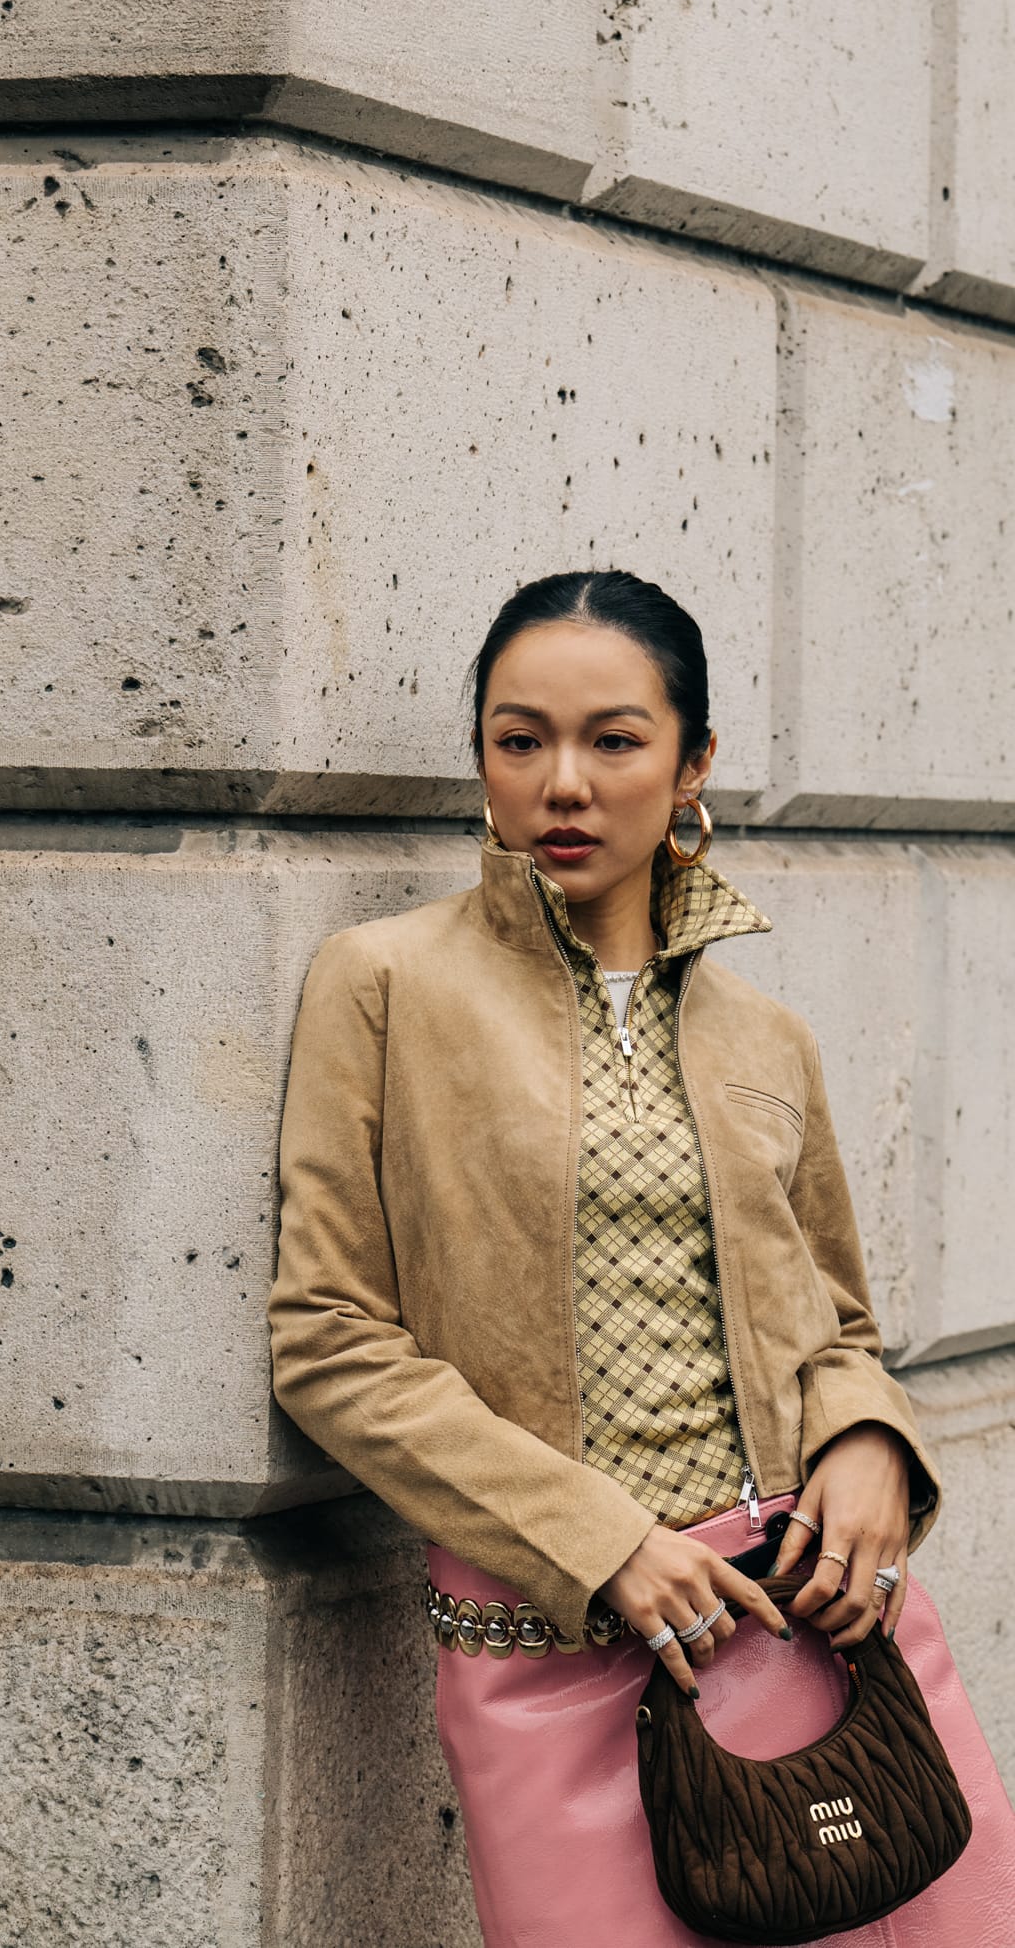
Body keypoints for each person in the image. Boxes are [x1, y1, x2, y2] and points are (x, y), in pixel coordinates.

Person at [268, 570, 1015, 1946]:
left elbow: (837, 1324)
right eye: (518, 739)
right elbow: (329, 1340)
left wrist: (866, 1446)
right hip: (557, 1644)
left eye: (613, 740)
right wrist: (602, 1541)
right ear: (480, 759)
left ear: (693, 765)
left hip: (816, 1626)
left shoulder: (762, 1034)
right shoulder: (382, 987)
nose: (563, 783)